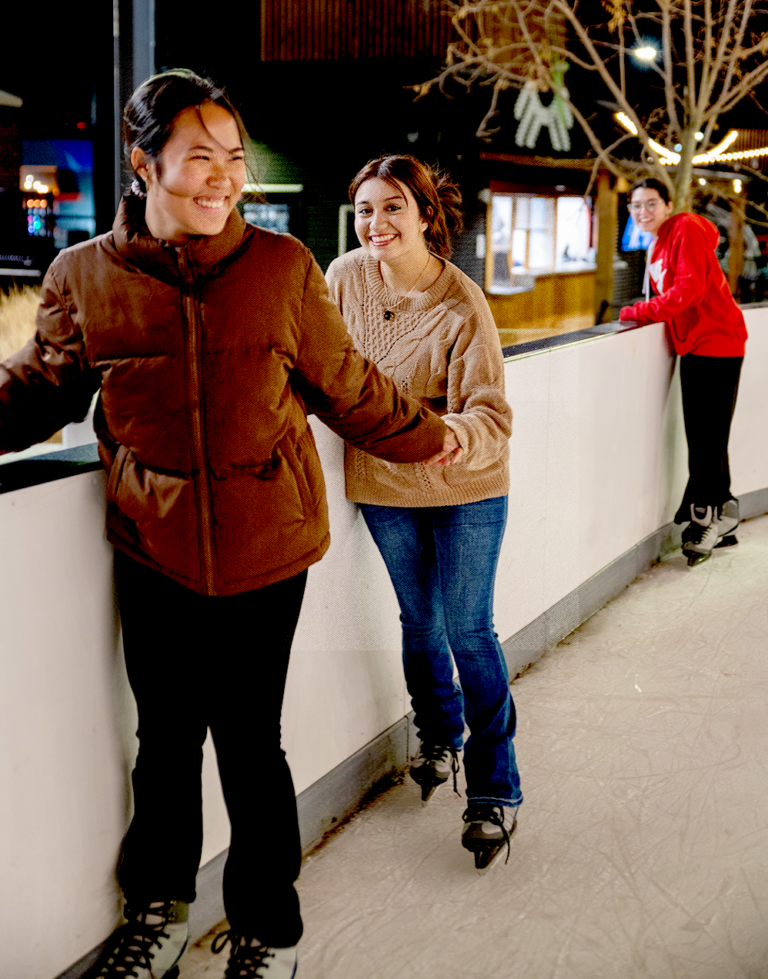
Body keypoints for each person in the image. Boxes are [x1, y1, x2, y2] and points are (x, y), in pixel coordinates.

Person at [0, 72, 458, 979]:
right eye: (199, 158)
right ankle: (160, 911)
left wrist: (428, 436)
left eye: (235, 160)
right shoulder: (85, 276)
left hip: (265, 546)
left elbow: (347, 385)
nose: (223, 178)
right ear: (143, 163)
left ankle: (266, 929)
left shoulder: (280, 268)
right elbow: (38, 388)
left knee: (251, 742)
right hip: (154, 543)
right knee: (165, 741)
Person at [325, 155, 522, 871]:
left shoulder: (461, 301)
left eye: (392, 208)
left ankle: (495, 790)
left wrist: (450, 435)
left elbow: (493, 417)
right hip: (382, 485)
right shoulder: (343, 277)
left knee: (469, 628)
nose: (376, 224)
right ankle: (439, 733)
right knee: (419, 620)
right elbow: (319, 365)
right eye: (365, 210)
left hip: (466, 485)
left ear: (425, 215)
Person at [619, 178, 748, 566]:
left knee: (705, 437)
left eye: (651, 204)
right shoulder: (659, 240)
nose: (643, 212)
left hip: (717, 344)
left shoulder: (686, 228)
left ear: (669, 204)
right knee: (710, 436)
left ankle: (703, 522)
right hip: (697, 346)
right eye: (636, 206)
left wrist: (637, 312)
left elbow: (689, 290)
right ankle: (725, 516)